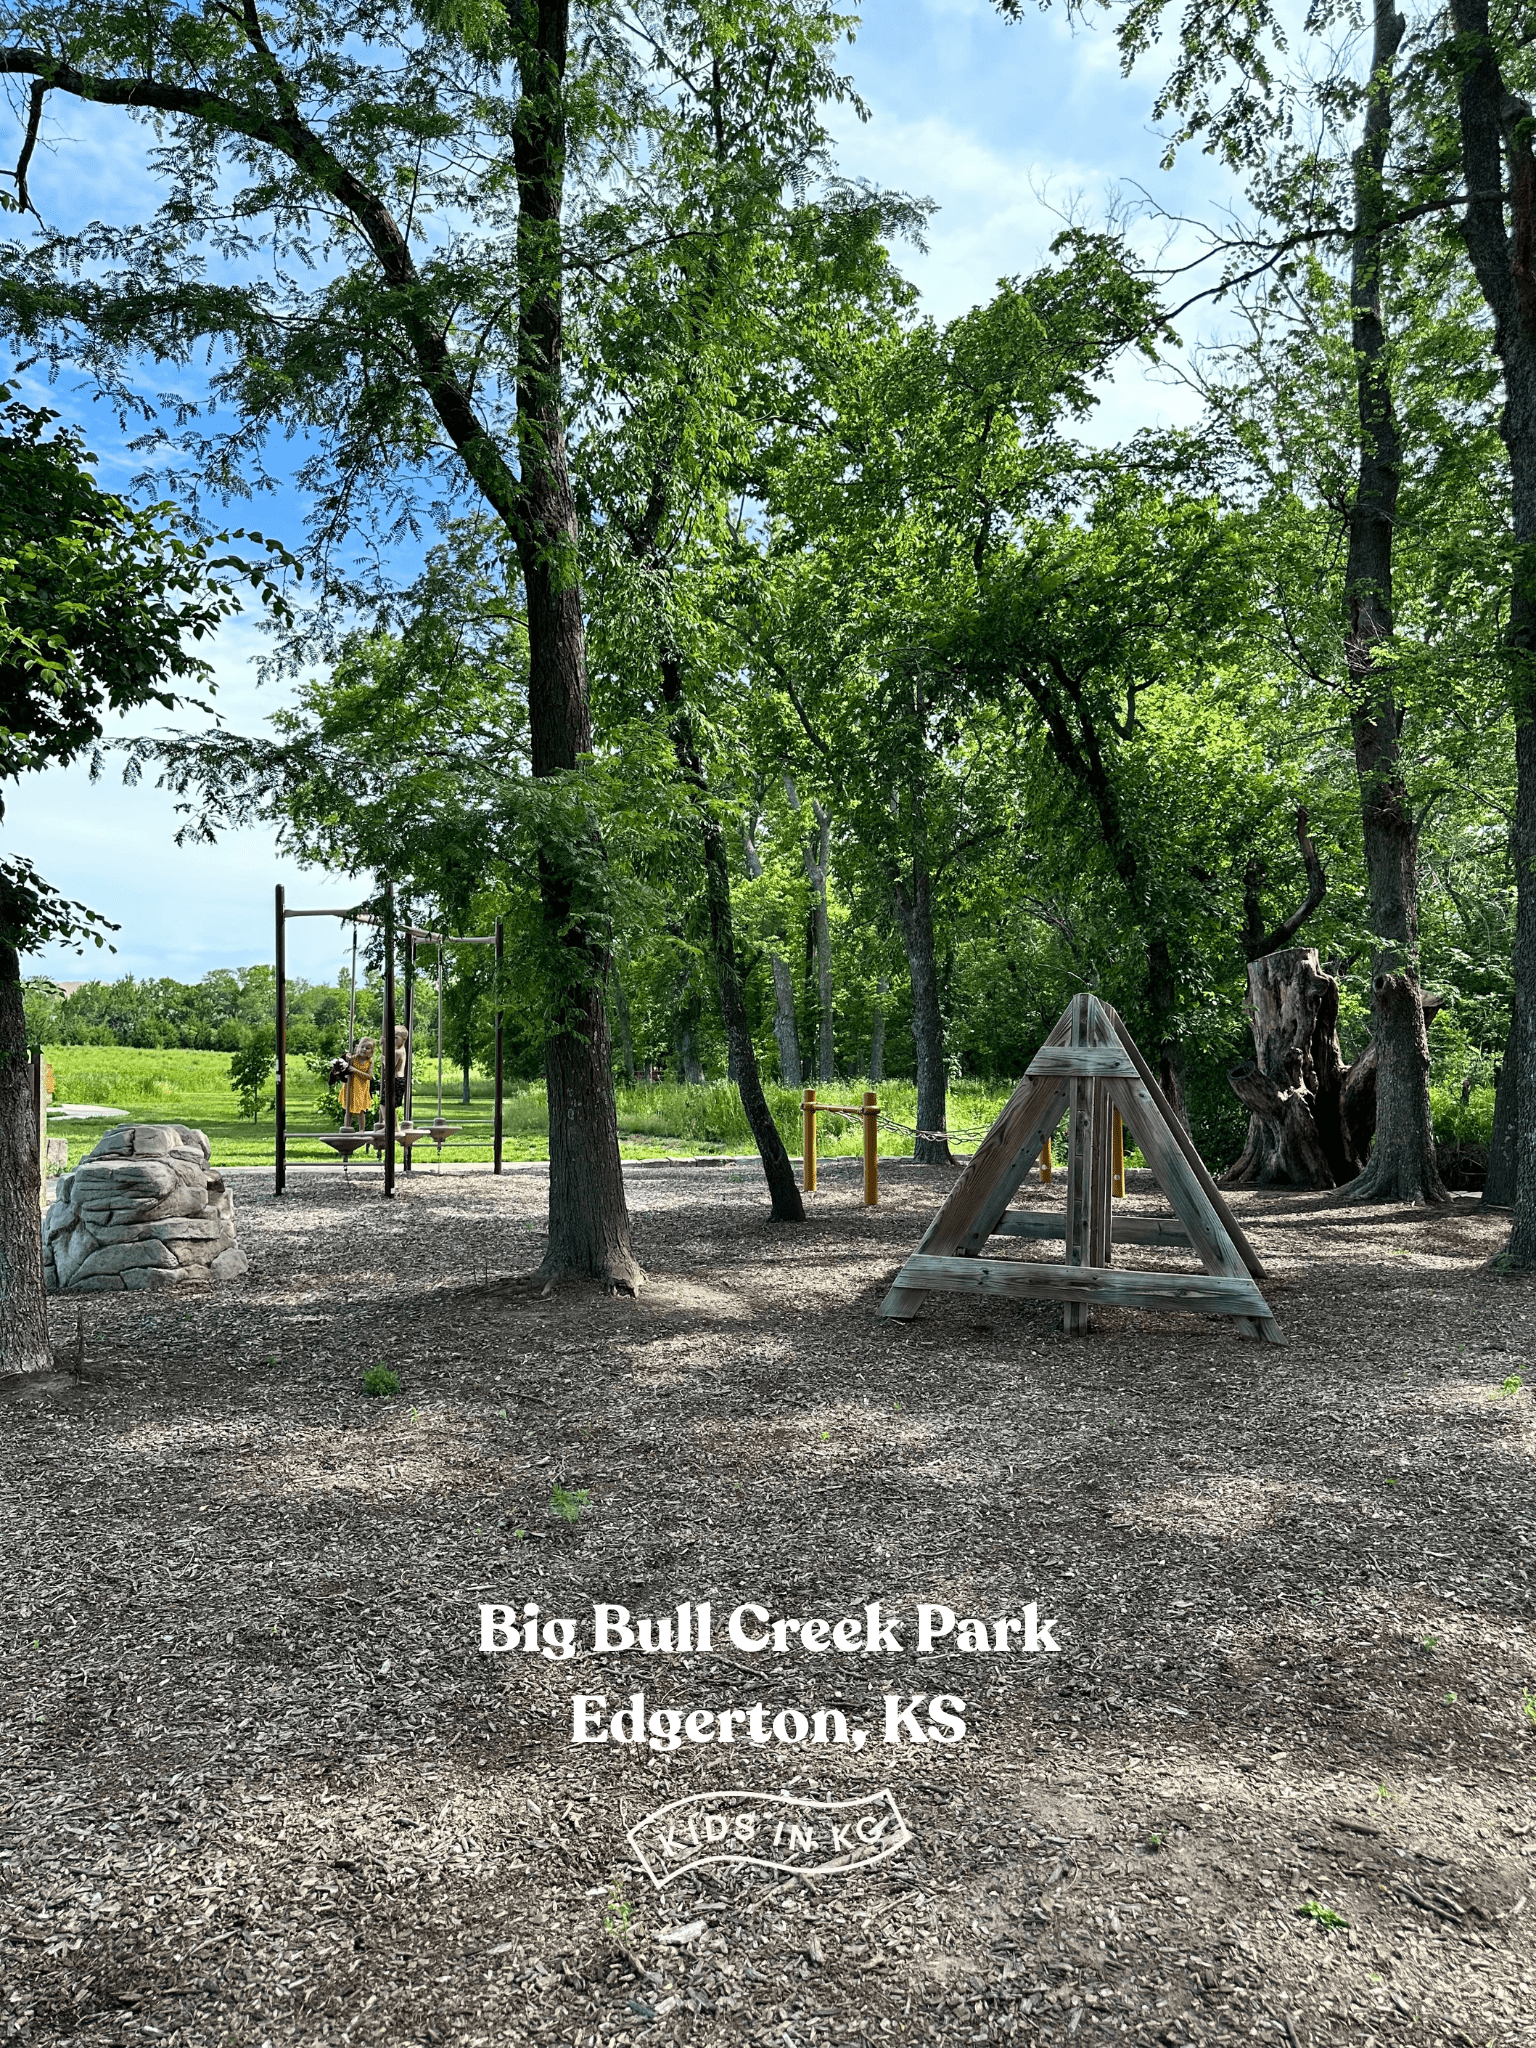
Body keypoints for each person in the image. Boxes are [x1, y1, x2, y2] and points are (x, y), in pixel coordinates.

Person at [341, 1037, 375, 1129]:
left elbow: (369, 1076)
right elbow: (343, 1064)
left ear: (371, 1051)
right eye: (362, 1047)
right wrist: (347, 1057)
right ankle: (347, 1127)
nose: (364, 1049)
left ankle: (361, 1129)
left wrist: (356, 1071)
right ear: (358, 1048)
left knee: (361, 1110)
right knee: (349, 1110)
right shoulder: (353, 1059)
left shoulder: (370, 1063)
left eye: (367, 1048)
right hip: (351, 1087)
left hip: (361, 1089)